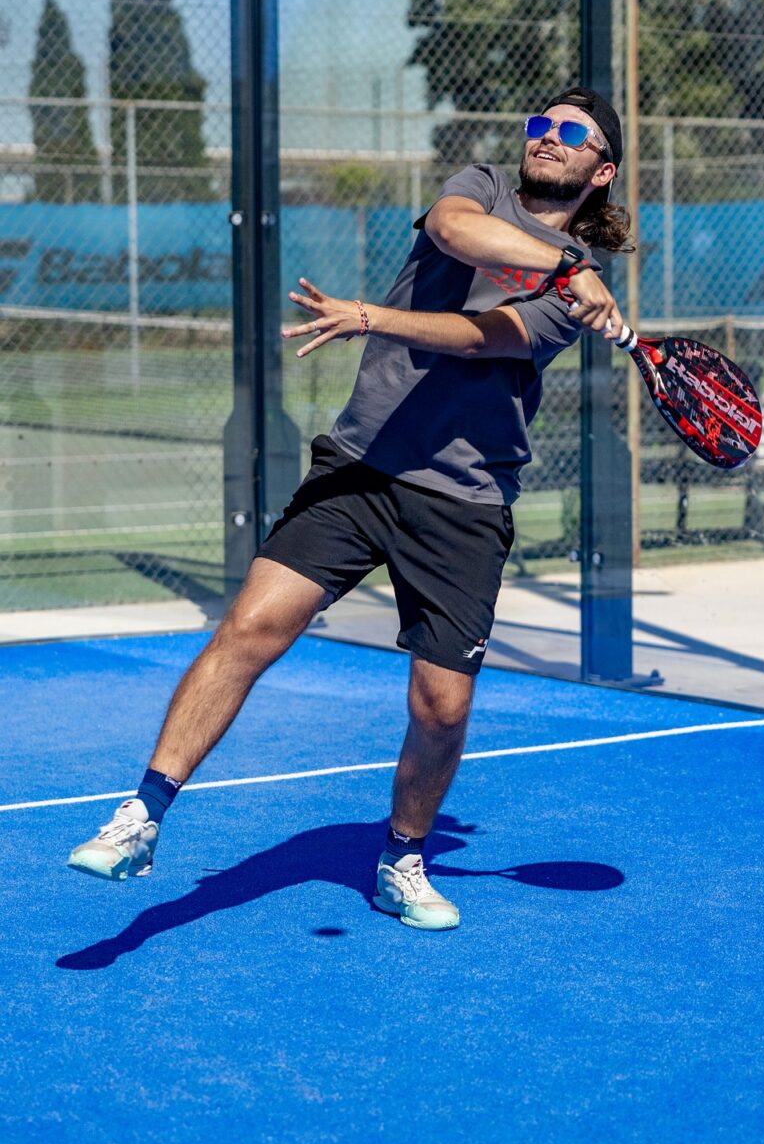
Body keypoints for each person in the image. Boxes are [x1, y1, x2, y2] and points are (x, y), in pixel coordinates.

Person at [67, 87, 631, 931]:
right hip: (362, 465)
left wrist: (381, 316)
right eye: (539, 125)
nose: (546, 139)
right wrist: (566, 265)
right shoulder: (485, 189)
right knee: (250, 627)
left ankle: (402, 858)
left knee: (441, 708)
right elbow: (450, 231)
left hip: (465, 503)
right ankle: (142, 816)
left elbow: (485, 339)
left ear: (602, 167)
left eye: (570, 133)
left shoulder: (576, 296)